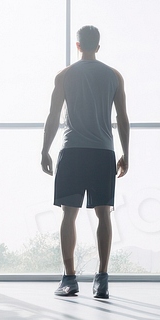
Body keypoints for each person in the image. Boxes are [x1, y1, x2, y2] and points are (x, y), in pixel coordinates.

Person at [41, 25, 130, 299]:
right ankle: (101, 280)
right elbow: (122, 118)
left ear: (78, 45)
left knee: (69, 214)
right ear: (98, 46)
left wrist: (45, 150)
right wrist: (125, 153)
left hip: (73, 151)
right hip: (103, 152)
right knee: (104, 214)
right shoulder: (114, 75)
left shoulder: (64, 75)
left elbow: (54, 116)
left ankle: (69, 280)